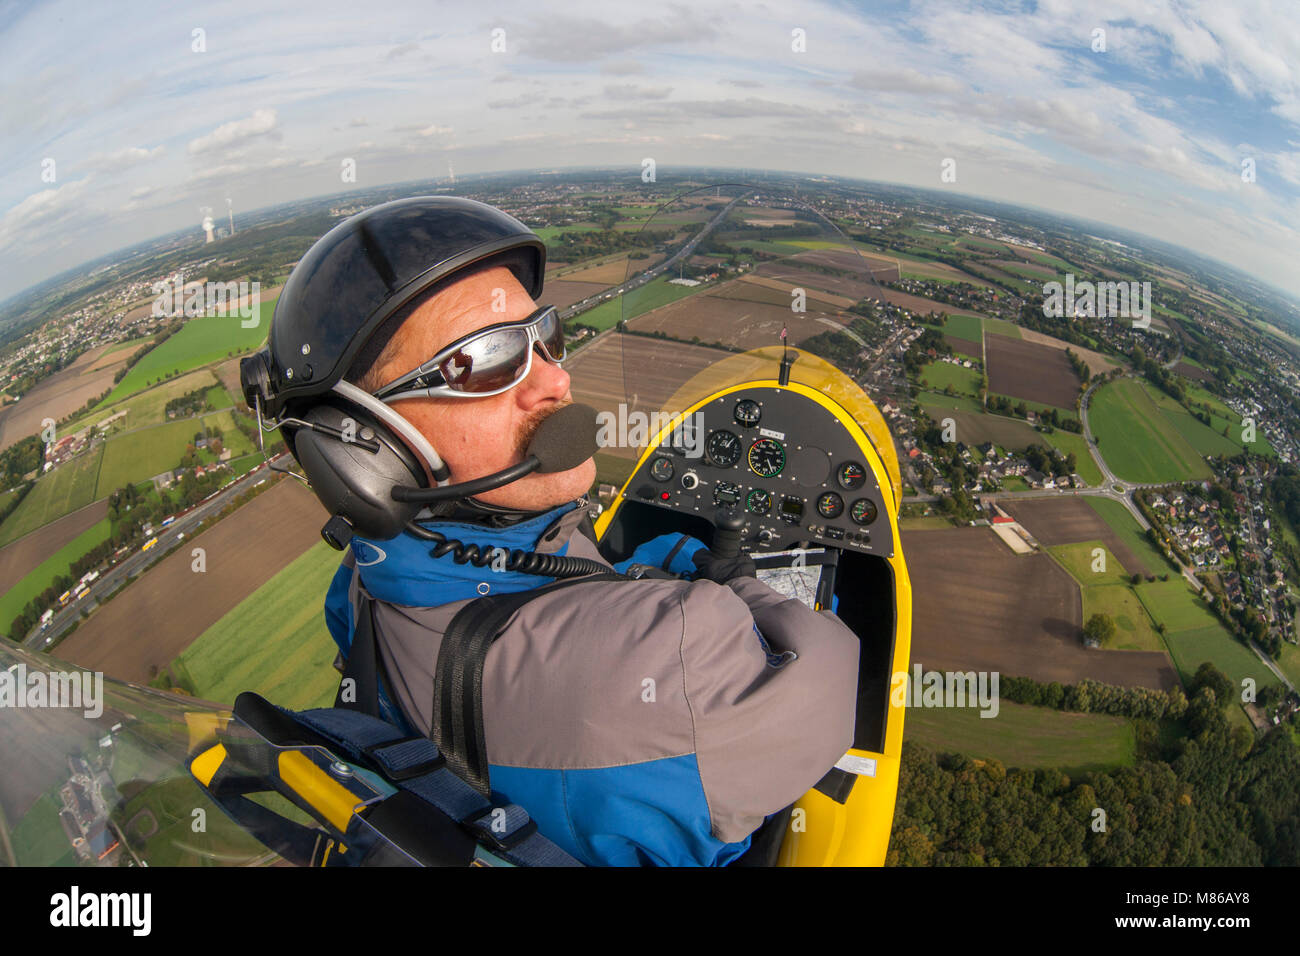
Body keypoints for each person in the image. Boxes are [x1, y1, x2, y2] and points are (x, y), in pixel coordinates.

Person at [261, 196, 860, 866]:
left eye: (544, 335)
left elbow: (559, 592)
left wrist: (659, 568)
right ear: (366, 452)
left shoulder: (361, 590)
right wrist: (737, 589)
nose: (555, 378)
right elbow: (828, 674)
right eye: (487, 360)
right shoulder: (667, 666)